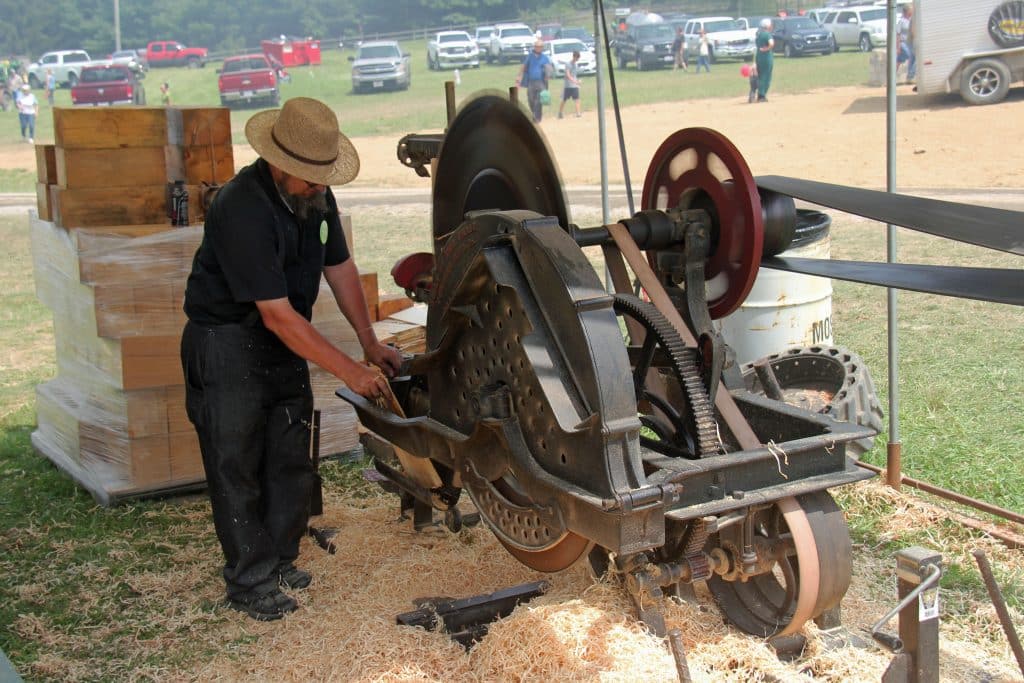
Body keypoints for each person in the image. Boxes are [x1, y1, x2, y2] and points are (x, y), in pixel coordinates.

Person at [180, 97, 401, 621]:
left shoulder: (316, 201)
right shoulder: (241, 206)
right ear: (279, 164)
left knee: (289, 457)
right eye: (310, 177)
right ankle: (249, 580)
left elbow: (340, 267)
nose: (321, 187)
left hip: (282, 339)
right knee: (237, 463)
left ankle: (279, 558)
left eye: (324, 176)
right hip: (228, 342)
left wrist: (368, 343)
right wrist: (350, 371)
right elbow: (277, 314)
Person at [516, 39, 553, 123]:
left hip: (541, 82)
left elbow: (549, 69)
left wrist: (548, 75)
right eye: (536, 46)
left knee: (538, 100)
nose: (538, 48)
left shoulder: (545, 57)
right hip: (531, 82)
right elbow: (524, 66)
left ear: (542, 48)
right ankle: (534, 114)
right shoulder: (530, 56)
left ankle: (537, 117)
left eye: (540, 47)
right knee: (530, 99)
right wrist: (519, 76)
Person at [755, 18, 775, 102]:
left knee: (761, 76)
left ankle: (760, 94)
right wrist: (767, 49)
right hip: (766, 58)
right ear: (767, 26)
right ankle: (761, 95)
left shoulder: (759, 34)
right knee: (766, 76)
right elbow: (771, 44)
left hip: (759, 57)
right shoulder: (767, 34)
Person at [558, 50, 582, 119]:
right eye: (576, 58)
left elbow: (574, 75)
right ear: (573, 56)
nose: (577, 59)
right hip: (568, 85)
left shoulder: (575, 64)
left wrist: (577, 81)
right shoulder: (568, 64)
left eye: (578, 58)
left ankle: (578, 113)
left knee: (577, 99)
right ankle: (560, 113)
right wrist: (576, 82)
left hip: (574, 85)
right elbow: (568, 75)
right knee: (564, 100)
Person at [896, 4, 916, 83]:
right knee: (910, 56)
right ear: (906, 11)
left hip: (910, 43)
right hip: (903, 43)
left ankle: (908, 77)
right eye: (910, 10)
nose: (912, 11)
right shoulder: (901, 21)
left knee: (898, 61)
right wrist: (898, 47)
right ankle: (911, 75)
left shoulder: (911, 20)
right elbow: (898, 34)